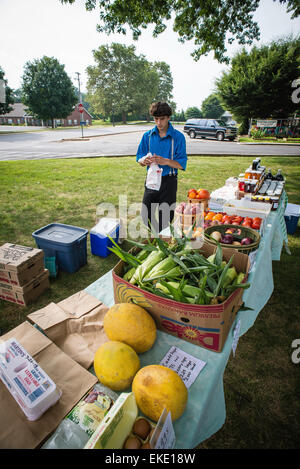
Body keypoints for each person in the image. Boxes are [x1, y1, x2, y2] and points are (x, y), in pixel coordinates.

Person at [136, 102, 187, 234]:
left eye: (162, 119)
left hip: (168, 181)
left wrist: (165, 161)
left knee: (165, 217)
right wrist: (144, 161)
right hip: (152, 180)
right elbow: (139, 158)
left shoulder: (178, 137)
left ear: (168, 117)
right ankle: (158, 234)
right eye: (156, 119)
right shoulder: (147, 136)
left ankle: (161, 237)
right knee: (145, 214)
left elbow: (181, 164)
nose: (159, 123)